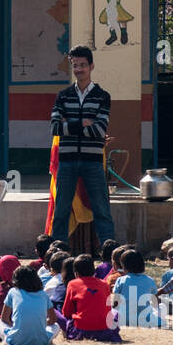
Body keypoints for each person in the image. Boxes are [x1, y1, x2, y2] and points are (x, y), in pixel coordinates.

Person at [49, 45, 114, 246]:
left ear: (91, 66)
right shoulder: (63, 95)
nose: (79, 69)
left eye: (83, 65)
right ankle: (57, 255)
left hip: (92, 162)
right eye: (75, 65)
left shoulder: (103, 96)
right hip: (67, 162)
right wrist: (84, 123)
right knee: (61, 210)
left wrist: (70, 125)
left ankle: (111, 255)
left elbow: (100, 130)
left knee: (102, 210)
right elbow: (55, 128)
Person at [0, 265, 60, 345]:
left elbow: (4, 318)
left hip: (15, 341)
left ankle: (8, 339)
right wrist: (40, 324)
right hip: (41, 342)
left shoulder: (13, 292)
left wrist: (17, 327)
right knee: (56, 326)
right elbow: (53, 319)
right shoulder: (43, 294)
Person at [61, 256, 121, 342]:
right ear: (94, 271)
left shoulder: (72, 284)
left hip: (81, 330)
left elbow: (66, 312)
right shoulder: (104, 284)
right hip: (105, 330)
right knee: (115, 312)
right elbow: (108, 308)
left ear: (76, 274)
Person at [112, 250, 161, 328]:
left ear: (124, 266)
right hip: (145, 319)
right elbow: (156, 301)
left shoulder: (121, 280)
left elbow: (115, 302)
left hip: (124, 319)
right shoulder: (150, 280)